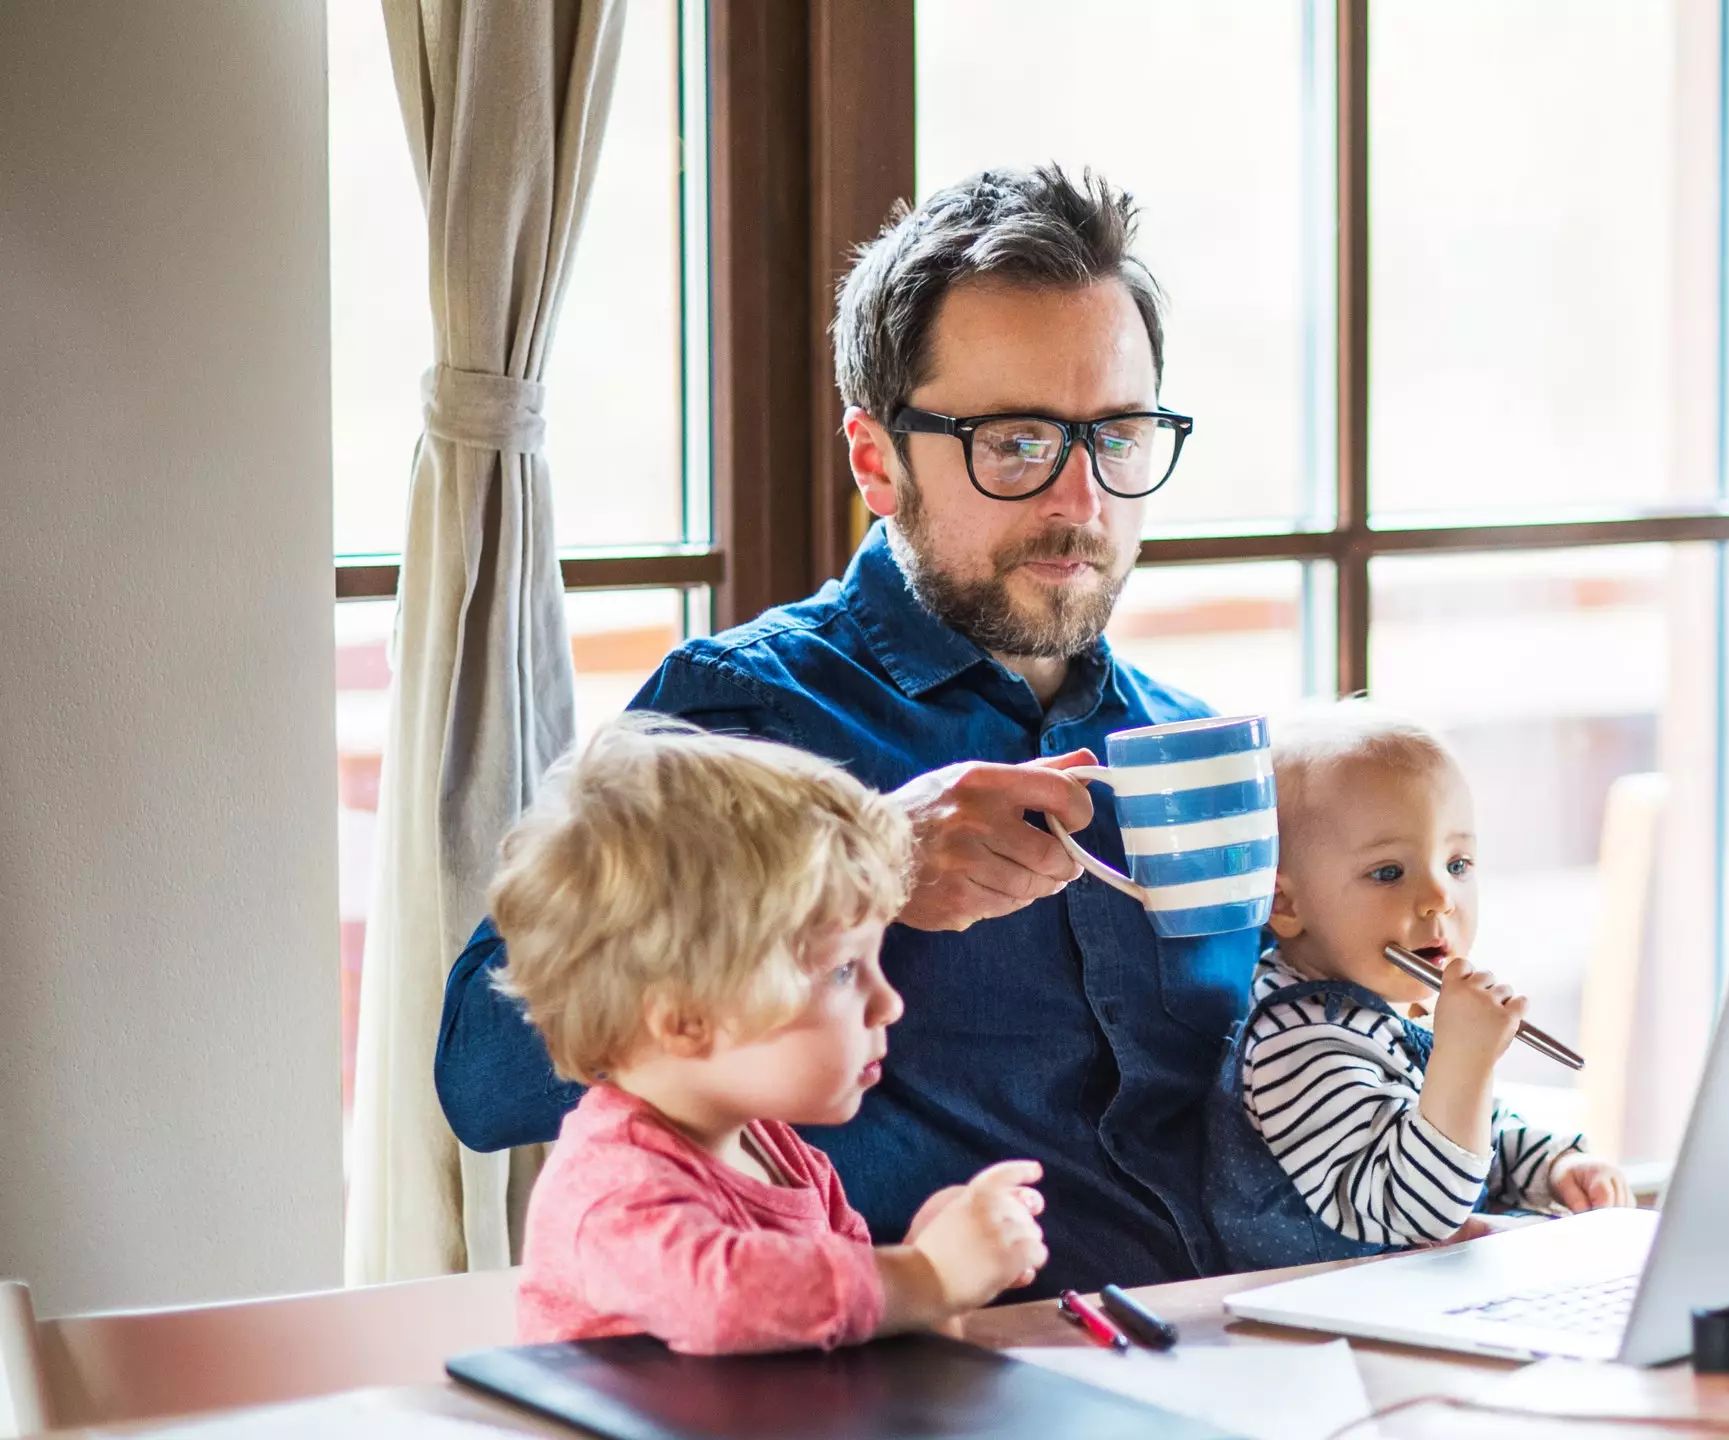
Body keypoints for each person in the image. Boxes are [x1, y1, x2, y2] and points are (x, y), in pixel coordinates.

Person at [436, 165, 1253, 1294]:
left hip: (1247, 1348)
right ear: (877, 461)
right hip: (920, 1373)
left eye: (1116, 435)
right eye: (1016, 442)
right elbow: (481, 1076)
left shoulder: (1191, 743)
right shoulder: (743, 715)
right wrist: (859, 864)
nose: (1083, 501)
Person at [498, 717, 1047, 1353]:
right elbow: (725, 1301)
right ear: (684, 1017)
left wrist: (937, 1264)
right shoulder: (610, 1187)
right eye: (843, 970)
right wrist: (924, 1276)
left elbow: (830, 1324)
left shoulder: (782, 1156)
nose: (890, 1003)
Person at [1204, 702, 1633, 1272]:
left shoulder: (1372, 1013)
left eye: (1457, 863)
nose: (1440, 898)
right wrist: (1464, 1059)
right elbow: (1422, 1211)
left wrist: (1555, 1167)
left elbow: (1479, 1129)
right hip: (1316, 1323)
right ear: (1284, 902)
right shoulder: (1297, 1045)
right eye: (1388, 872)